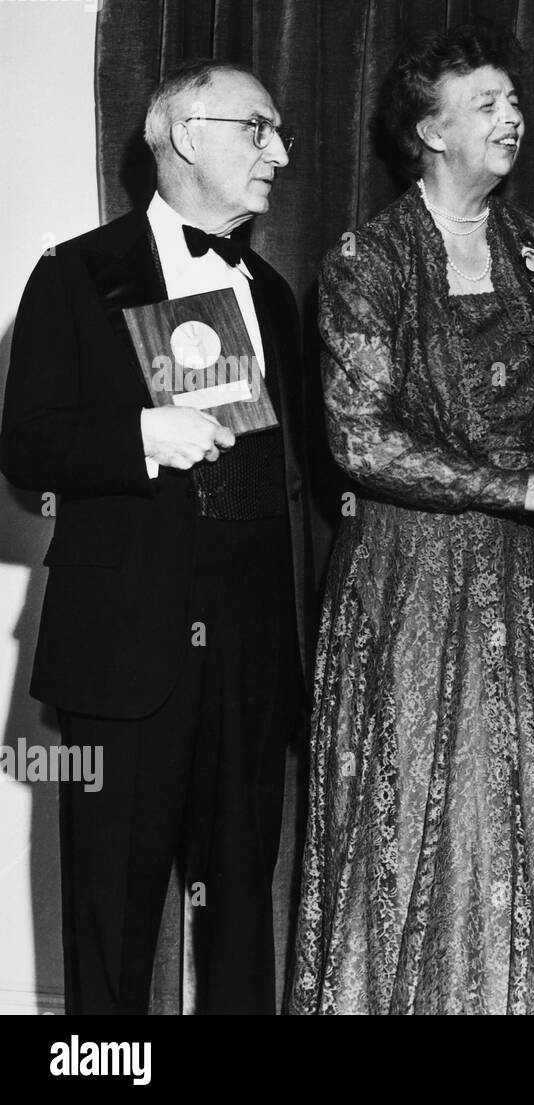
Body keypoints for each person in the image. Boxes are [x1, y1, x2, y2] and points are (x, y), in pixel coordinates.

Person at [288, 22, 534, 1015]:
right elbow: (361, 443)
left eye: (513, 102)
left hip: (515, 576)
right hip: (405, 581)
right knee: (401, 815)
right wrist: (520, 494)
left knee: (503, 818)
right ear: (429, 130)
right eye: (485, 106)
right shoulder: (363, 261)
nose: (512, 120)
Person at [0, 59, 312, 1013]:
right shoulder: (76, 273)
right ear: (186, 135)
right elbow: (26, 443)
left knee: (242, 910)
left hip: (252, 653)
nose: (282, 153)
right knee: (109, 911)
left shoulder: (271, 291)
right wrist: (141, 434)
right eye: (258, 129)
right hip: (127, 646)